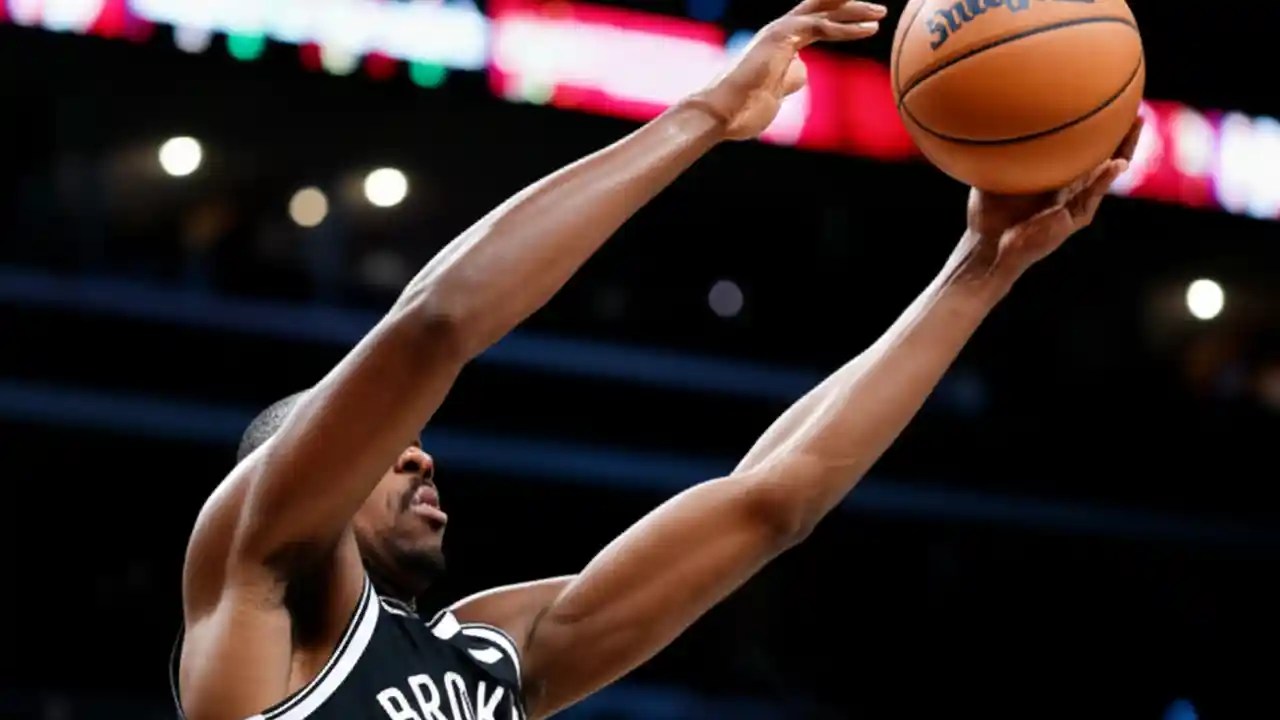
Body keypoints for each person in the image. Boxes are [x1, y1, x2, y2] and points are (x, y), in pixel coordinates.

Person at [169, 1, 1144, 718]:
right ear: (292, 477)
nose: (421, 456)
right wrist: (706, 116)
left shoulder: (494, 655)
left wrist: (977, 271)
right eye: (386, 449)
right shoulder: (253, 599)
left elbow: (769, 501)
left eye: (418, 441)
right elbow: (436, 325)